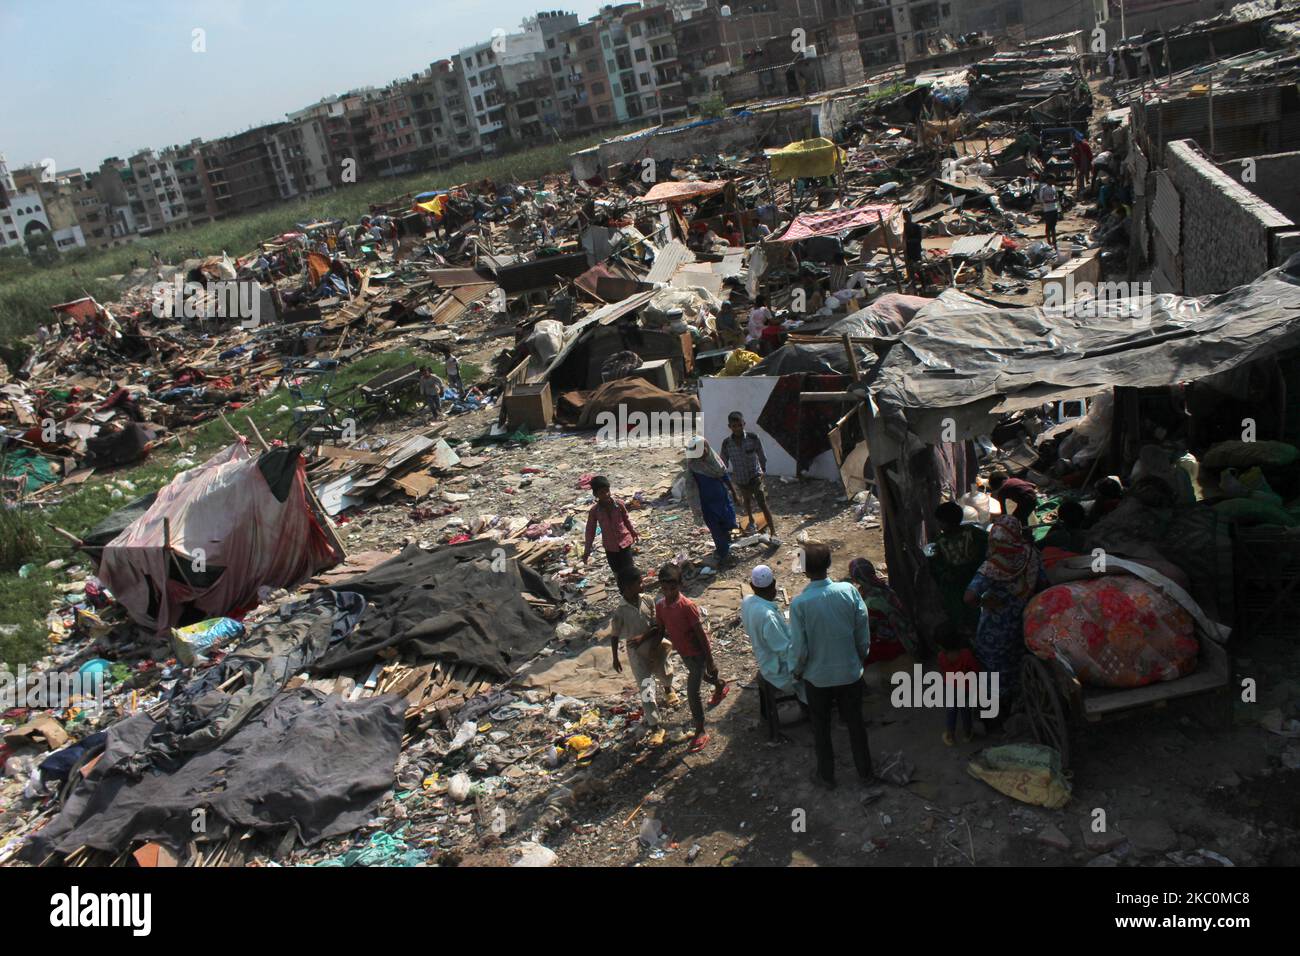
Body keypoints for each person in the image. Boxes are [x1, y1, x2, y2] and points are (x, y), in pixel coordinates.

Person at [789, 541, 874, 789]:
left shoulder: (800, 604)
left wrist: (797, 672)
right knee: (856, 725)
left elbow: (800, 648)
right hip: (849, 672)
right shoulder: (848, 591)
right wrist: (860, 656)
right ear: (829, 564)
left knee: (821, 728)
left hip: (818, 678)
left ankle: (826, 776)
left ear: (804, 571)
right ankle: (865, 774)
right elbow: (862, 629)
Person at [963, 515, 1048, 720]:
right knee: (1018, 661)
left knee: (994, 667)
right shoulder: (1031, 555)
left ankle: (997, 713)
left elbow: (969, 597)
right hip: (1025, 620)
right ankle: (1021, 700)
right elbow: (1044, 584)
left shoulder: (991, 566)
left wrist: (986, 603)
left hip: (996, 627)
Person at [656, 563, 728, 753]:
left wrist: (710, 660)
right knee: (704, 677)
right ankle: (720, 686)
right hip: (684, 653)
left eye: (672, 588)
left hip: (697, 653)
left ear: (680, 585)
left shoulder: (687, 606)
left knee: (692, 693)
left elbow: (701, 635)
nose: (669, 592)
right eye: (664, 589)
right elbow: (661, 628)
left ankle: (700, 730)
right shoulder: (661, 606)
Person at [609, 568, 678, 742]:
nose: (643, 584)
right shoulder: (620, 611)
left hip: (655, 645)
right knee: (646, 687)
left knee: (664, 671)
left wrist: (643, 637)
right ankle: (655, 725)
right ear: (627, 587)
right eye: (639, 582)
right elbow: (615, 635)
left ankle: (668, 689)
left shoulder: (647, 600)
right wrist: (615, 658)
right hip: (637, 654)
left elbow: (657, 625)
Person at [741, 564, 804, 703]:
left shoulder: (747, 602)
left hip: (765, 659)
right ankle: (813, 709)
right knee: (814, 678)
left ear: (752, 585)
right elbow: (785, 652)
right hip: (778, 673)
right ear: (774, 584)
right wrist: (800, 670)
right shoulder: (768, 617)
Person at [927, 501, 988, 638]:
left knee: (968, 613)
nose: (939, 525)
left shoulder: (943, 542)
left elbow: (936, 567)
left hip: (964, 584)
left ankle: (969, 638)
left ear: (947, 522)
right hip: (965, 583)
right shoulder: (972, 533)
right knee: (967, 613)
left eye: (941, 522)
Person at [720, 412, 778, 542]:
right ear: (730, 426)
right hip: (740, 479)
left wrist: (762, 470)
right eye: (734, 426)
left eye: (739, 425)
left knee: (762, 503)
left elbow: (762, 456)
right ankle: (751, 520)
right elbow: (723, 462)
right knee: (746, 501)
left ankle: (773, 531)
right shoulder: (727, 444)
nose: (737, 428)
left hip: (755, 476)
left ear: (744, 424)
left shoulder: (753, 438)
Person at [681, 437, 738, 568]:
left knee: (728, 523)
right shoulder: (693, 467)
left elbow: (725, 476)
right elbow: (691, 489)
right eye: (700, 448)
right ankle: (724, 553)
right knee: (716, 530)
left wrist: (734, 493)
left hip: (722, 499)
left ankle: (725, 543)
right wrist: (696, 509)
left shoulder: (714, 461)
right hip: (708, 505)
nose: (704, 450)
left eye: (705, 447)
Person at [847, 558, 918, 661]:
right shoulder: (885, 587)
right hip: (905, 635)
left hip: (893, 642)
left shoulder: (871, 601)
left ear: (856, 579)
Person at [583, 475, 640, 579]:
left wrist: (633, 532)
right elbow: (590, 531)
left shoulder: (619, 504)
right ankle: (624, 591)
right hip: (610, 547)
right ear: (595, 494)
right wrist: (587, 550)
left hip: (624, 542)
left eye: (607, 490)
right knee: (617, 572)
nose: (606, 494)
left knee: (629, 570)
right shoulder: (595, 511)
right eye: (602, 492)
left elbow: (626, 520)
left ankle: (634, 590)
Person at [937, 628, 980, 746]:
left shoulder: (941, 656)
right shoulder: (966, 654)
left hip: (950, 688)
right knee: (965, 711)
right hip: (965, 689)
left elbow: (943, 671)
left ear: (941, 645)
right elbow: (975, 670)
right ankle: (967, 734)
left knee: (951, 711)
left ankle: (950, 735)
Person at [903, 209, 924, 289]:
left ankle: (923, 285)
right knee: (910, 271)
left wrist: (908, 241)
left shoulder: (916, 226)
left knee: (919, 269)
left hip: (916, 251)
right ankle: (913, 287)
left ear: (911, 216)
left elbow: (918, 239)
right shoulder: (903, 227)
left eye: (908, 215)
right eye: (905, 216)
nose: (907, 217)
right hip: (907, 251)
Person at [1037, 176, 1060, 247]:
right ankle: (1049, 241)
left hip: (1054, 208)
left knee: (1053, 226)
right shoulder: (1043, 189)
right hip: (1047, 210)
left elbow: (1056, 197)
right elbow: (1041, 199)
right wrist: (1048, 201)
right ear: (1047, 180)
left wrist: (1056, 201)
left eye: (1053, 180)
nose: (1052, 181)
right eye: (1051, 180)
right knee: (1048, 226)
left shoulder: (1054, 188)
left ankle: (1054, 241)